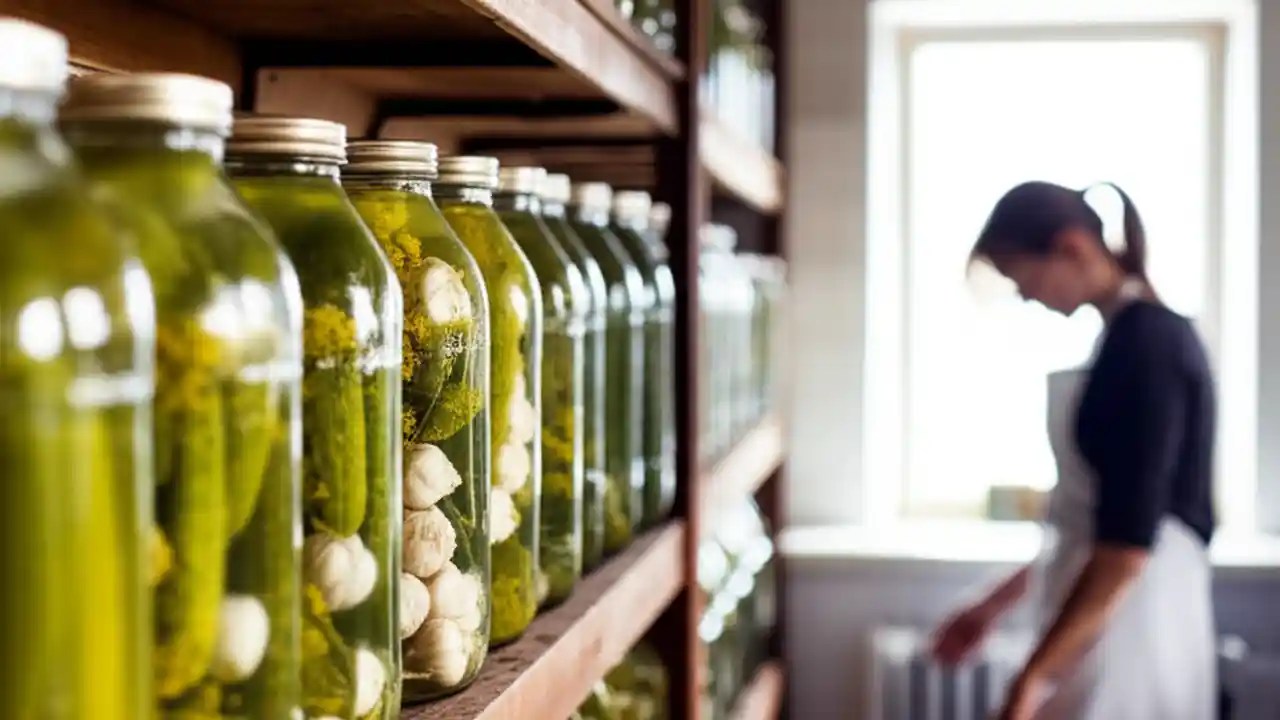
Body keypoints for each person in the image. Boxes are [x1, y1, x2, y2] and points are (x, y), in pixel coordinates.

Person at [931, 181, 1217, 720]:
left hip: (1135, 628)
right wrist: (994, 604)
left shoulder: (1148, 346)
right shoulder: (1121, 340)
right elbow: (1089, 516)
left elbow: (1125, 546)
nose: (1027, 296)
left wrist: (1033, 677)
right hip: (1109, 620)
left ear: (1070, 248)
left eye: (1025, 277)